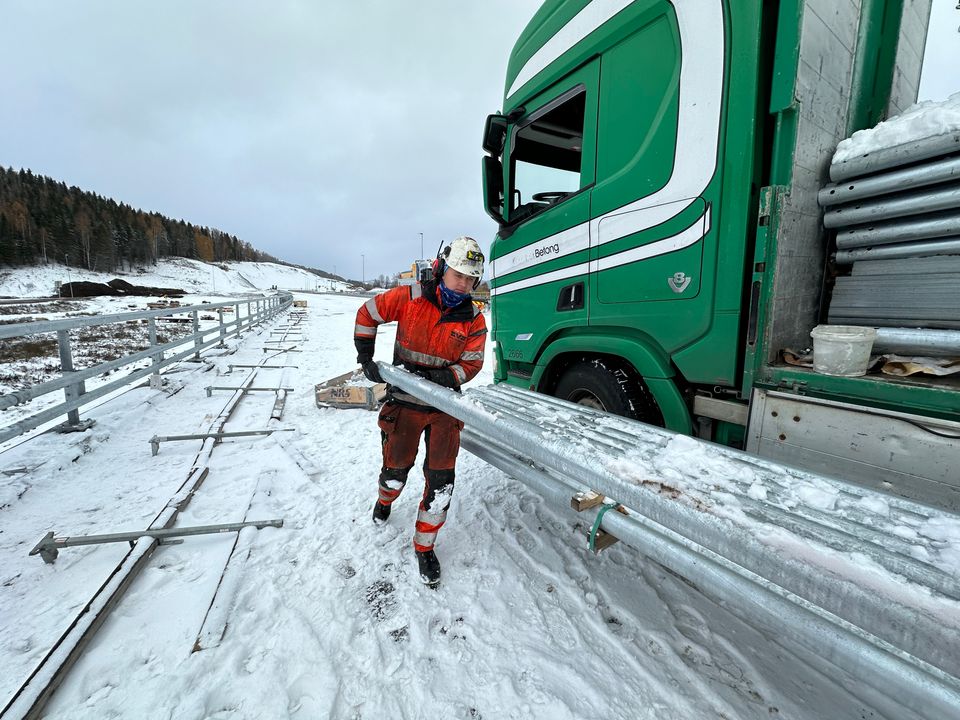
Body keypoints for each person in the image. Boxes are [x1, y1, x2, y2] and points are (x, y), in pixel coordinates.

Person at [354, 236, 487, 587]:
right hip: (404, 403)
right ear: (443, 269)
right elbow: (367, 313)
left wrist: (443, 376)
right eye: (458, 275)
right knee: (395, 473)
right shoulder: (411, 297)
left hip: (443, 407)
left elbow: (472, 364)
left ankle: (425, 547)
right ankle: (386, 500)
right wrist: (365, 356)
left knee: (442, 484)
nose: (463, 284)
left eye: (470, 279)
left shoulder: (474, 318)